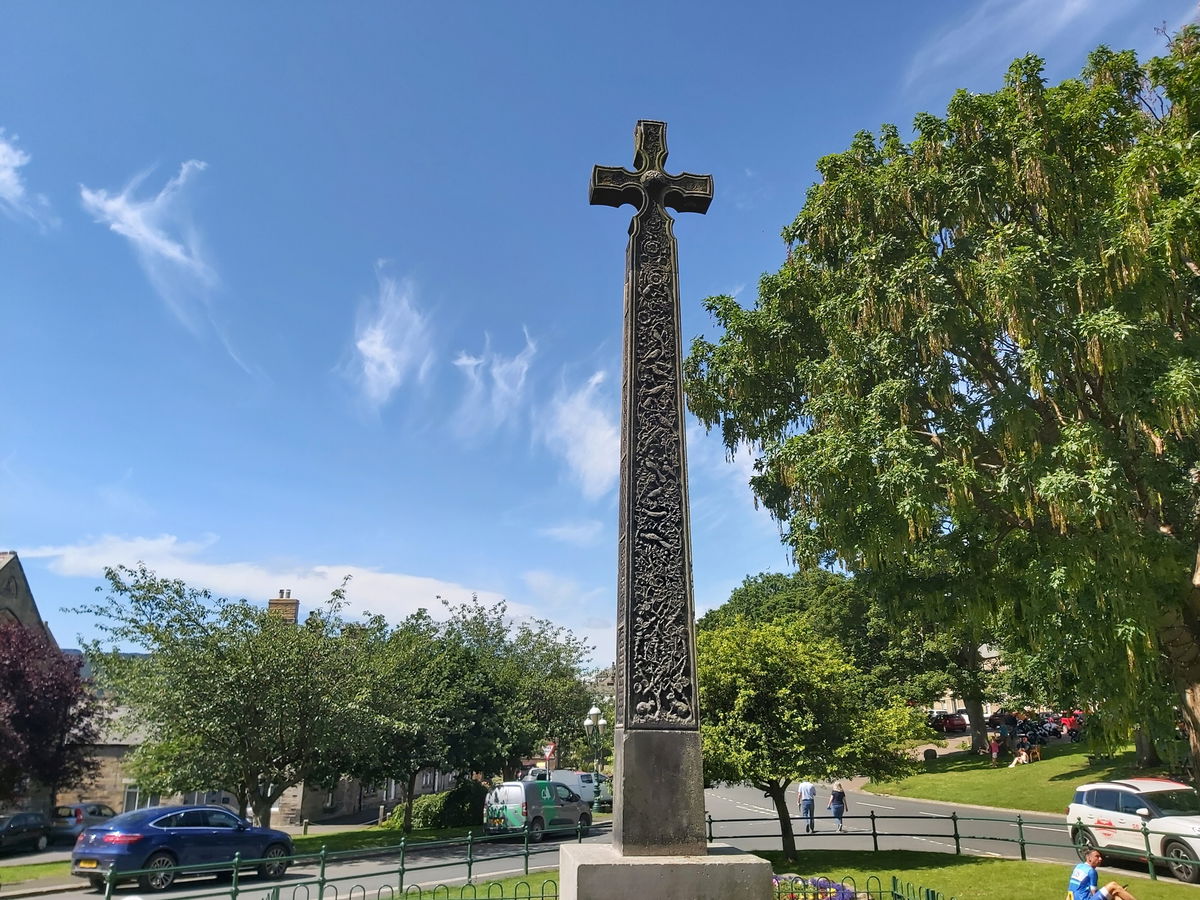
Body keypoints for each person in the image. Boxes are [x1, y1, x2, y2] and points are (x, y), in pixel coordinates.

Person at [1068, 849, 1138, 899]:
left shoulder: (1079, 866)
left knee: (1115, 895)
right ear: (1089, 858)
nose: (1100, 859)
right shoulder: (1091, 871)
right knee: (1113, 886)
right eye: (1097, 856)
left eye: (1100, 857)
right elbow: (1094, 893)